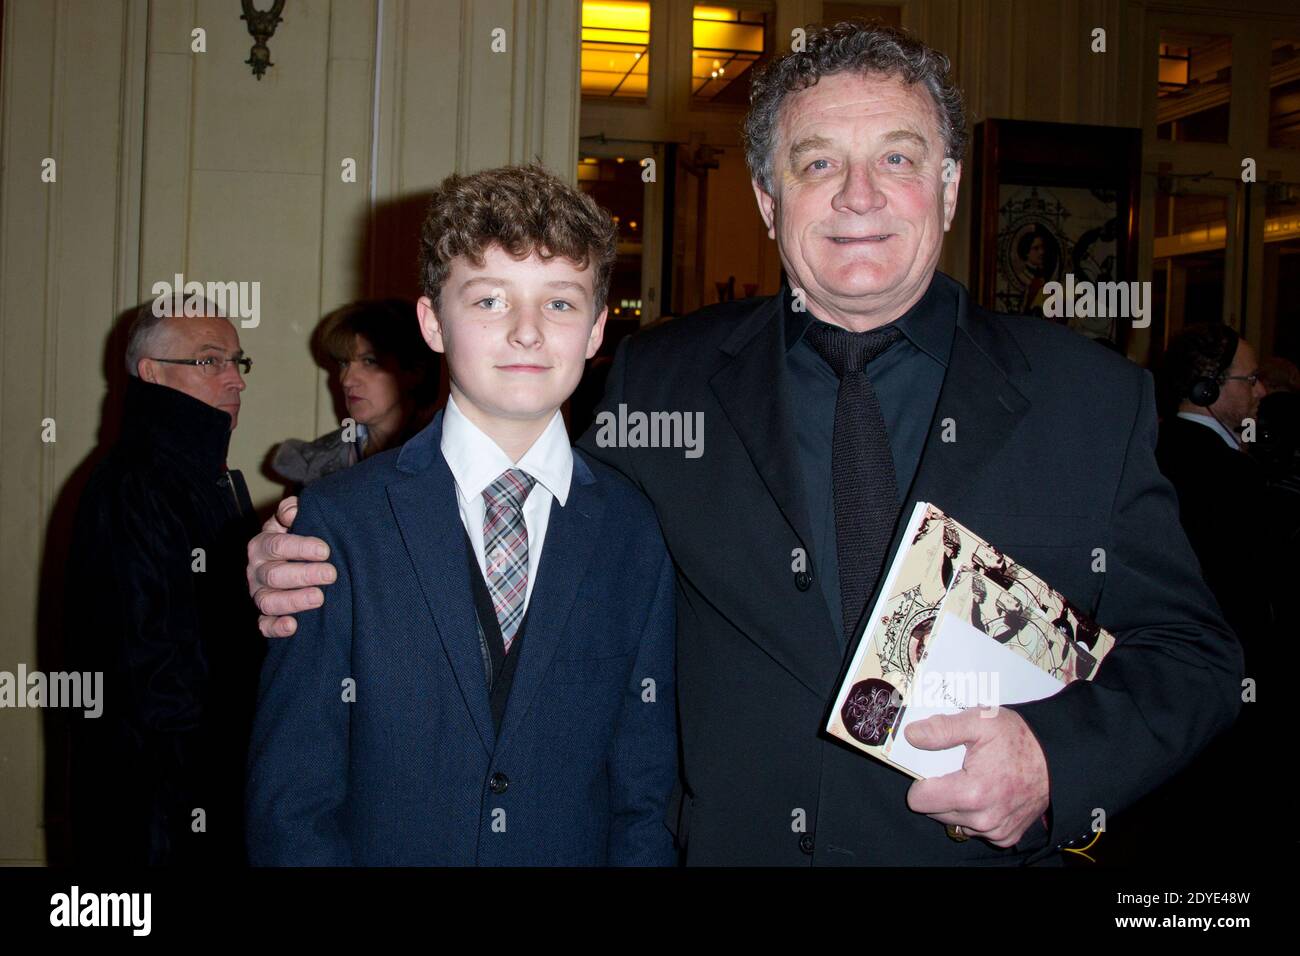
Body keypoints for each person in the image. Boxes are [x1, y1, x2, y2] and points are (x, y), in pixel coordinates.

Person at [245, 21, 1242, 866]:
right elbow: (514, 512)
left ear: (945, 185)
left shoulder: (1088, 401)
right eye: (818, 163)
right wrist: (300, 548)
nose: (859, 195)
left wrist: (1056, 760)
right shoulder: (658, 378)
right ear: (769, 198)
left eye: (896, 157)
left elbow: (1194, 658)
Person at [244, 164, 678, 866]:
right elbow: (294, 798)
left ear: (597, 330)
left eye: (561, 304)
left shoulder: (635, 531)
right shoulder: (340, 524)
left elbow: (643, 790)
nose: (529, 333)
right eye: (489, 301)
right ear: (431, 322)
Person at [67, 302, 262, 866]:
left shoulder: (197, 475)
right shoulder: (138, 484)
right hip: (159, 814)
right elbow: (153, 672)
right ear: (150, 372)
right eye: (209, 360)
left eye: (237, 360)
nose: (236, 378)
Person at [1155, 322, 1271, 663]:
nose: (1261, 390)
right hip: (1222, 659)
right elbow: (1249, 598)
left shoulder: (1151, 448)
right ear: (1207, 389)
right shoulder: (1234, 474)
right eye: (1250, 380)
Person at [270, 299, 438, 489]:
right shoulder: (317, 464)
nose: (346, 380)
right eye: (343, 363)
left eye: (369, 361)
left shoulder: (443, 458)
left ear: (414, 370)